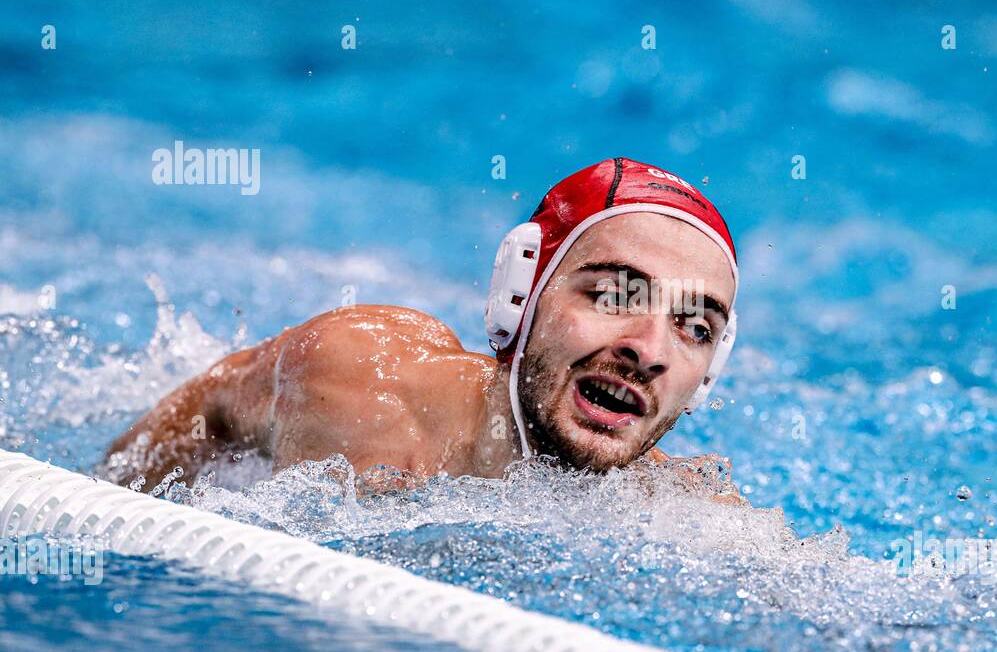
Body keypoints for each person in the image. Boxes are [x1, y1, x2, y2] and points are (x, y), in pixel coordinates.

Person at [104, 158, 740, 495]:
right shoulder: (358, 380)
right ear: (521, 298)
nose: (650, 350)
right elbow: (209, 402)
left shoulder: (688, 519)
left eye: (696, 328)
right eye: (612, 295)